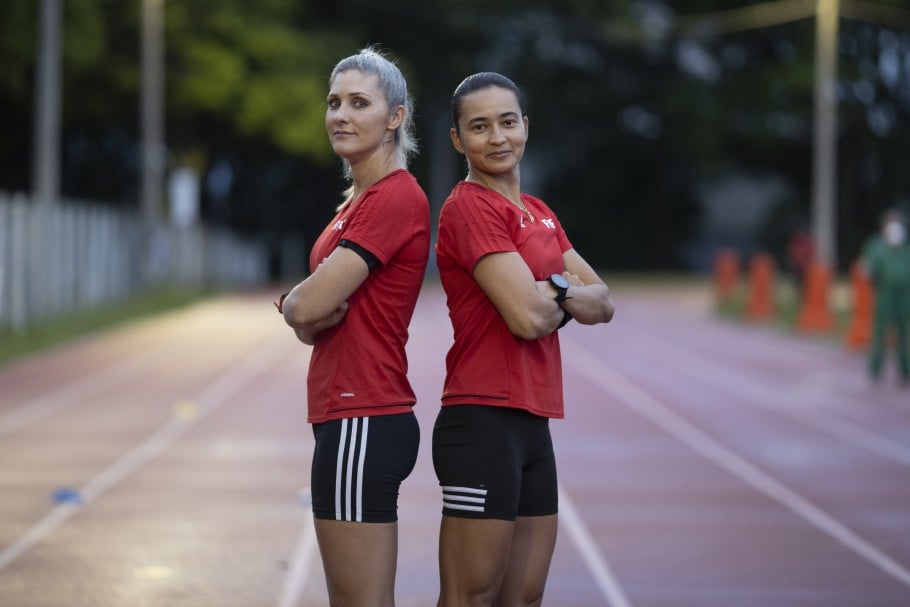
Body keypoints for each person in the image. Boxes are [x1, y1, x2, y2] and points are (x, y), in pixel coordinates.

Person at [432, 72, 615, 606]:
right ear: (457, 139)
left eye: (507, 122)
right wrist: (564, 291)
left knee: (524, 597)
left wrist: (551, 288)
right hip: (481, 419)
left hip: (535, 423)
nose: (497, 137)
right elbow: (527, 320)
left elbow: (603, 303)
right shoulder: (468, 207)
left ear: (526, 127)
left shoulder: (540, 213)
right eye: (479, 126)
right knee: (471, 595)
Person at [277, 47, 430, 606]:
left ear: (396, 116)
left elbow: (305, 309)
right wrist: (303, 309)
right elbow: (308, 314)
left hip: (362, 412)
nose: (340, 115)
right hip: (350, 414)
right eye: (334, 102)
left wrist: (298, 307)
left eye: (359, 103)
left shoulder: (394, 197)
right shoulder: (356, 203)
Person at [860, 209, 910, 385]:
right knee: (880, 332)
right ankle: (875, 369)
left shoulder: (906, 249)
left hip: (904, 295)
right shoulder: (876, 247)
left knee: (904, 333)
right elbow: (867, 268)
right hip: (885, 294)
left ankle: (905, 370)